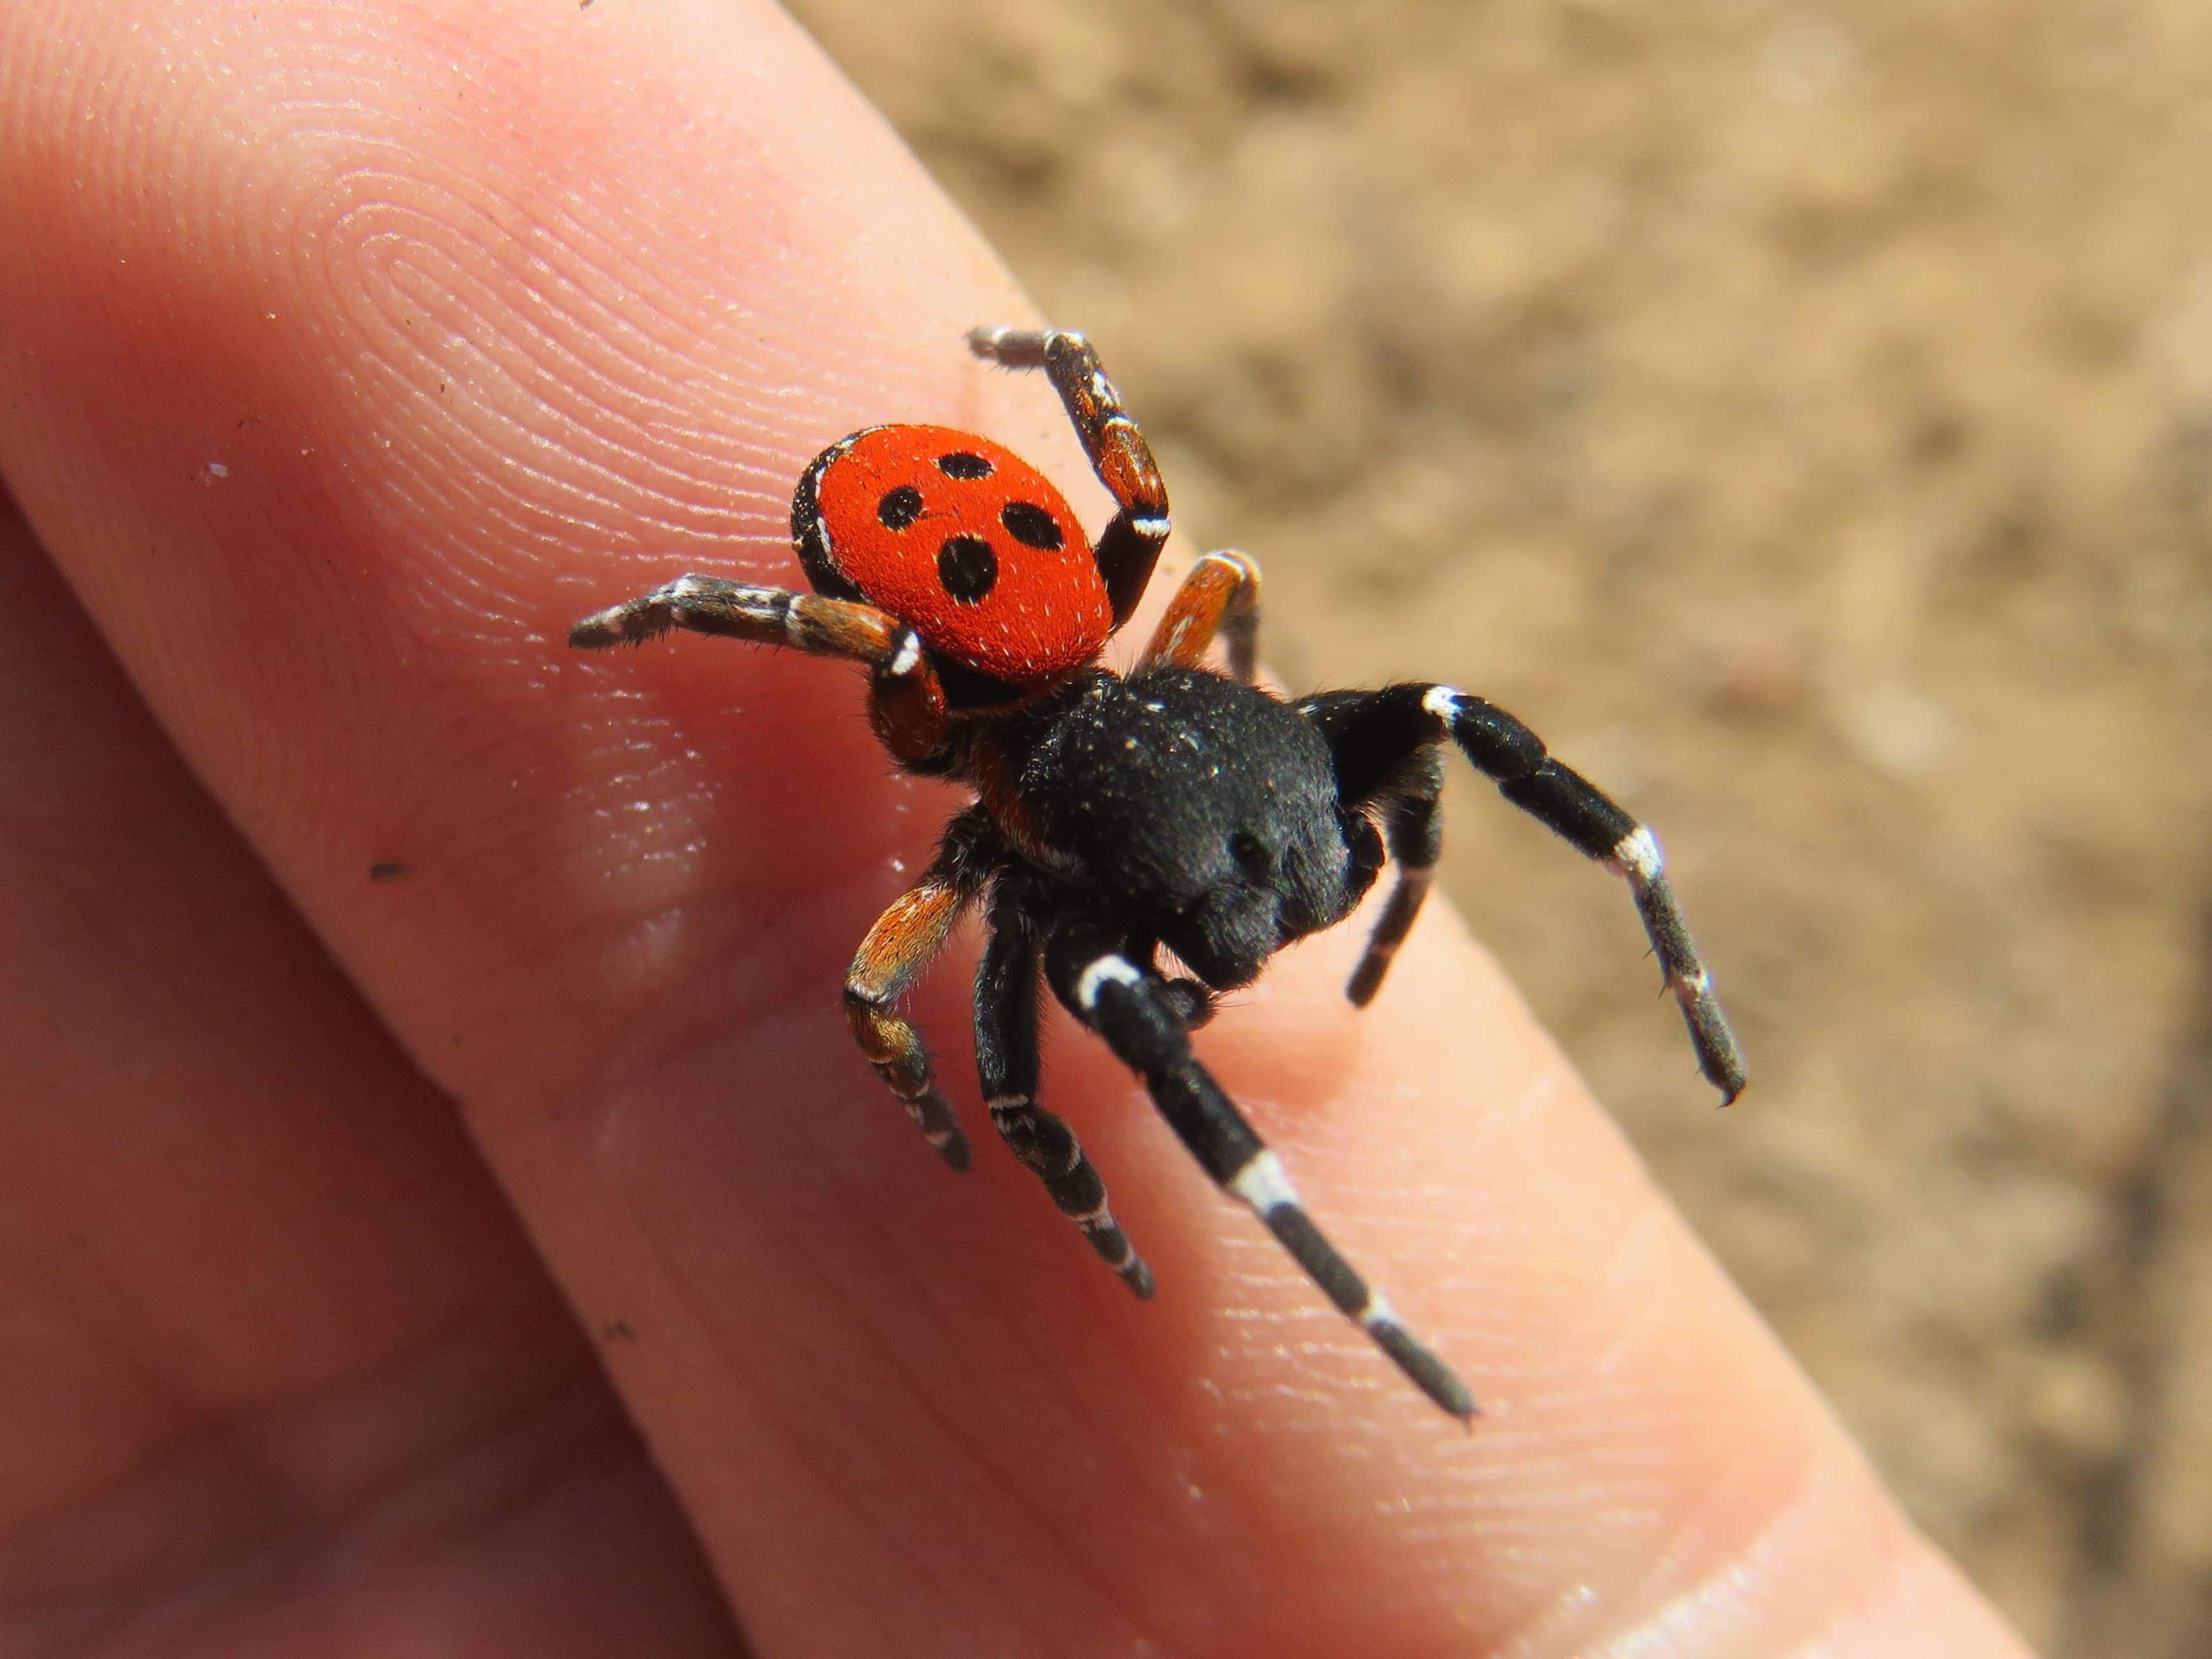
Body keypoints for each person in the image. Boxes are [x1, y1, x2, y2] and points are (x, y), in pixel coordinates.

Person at [0, 2, 2034, 1652]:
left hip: (1094, 641)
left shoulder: (1205, 639)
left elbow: (1387, 718)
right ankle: (1283, 1229)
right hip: (990, 625)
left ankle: (1641, 920)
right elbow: (912, 985)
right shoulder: (977, 794)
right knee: (967, 999)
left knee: (1422, 712)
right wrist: (1000, 1122)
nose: (1258, 948)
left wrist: (1487, 875)